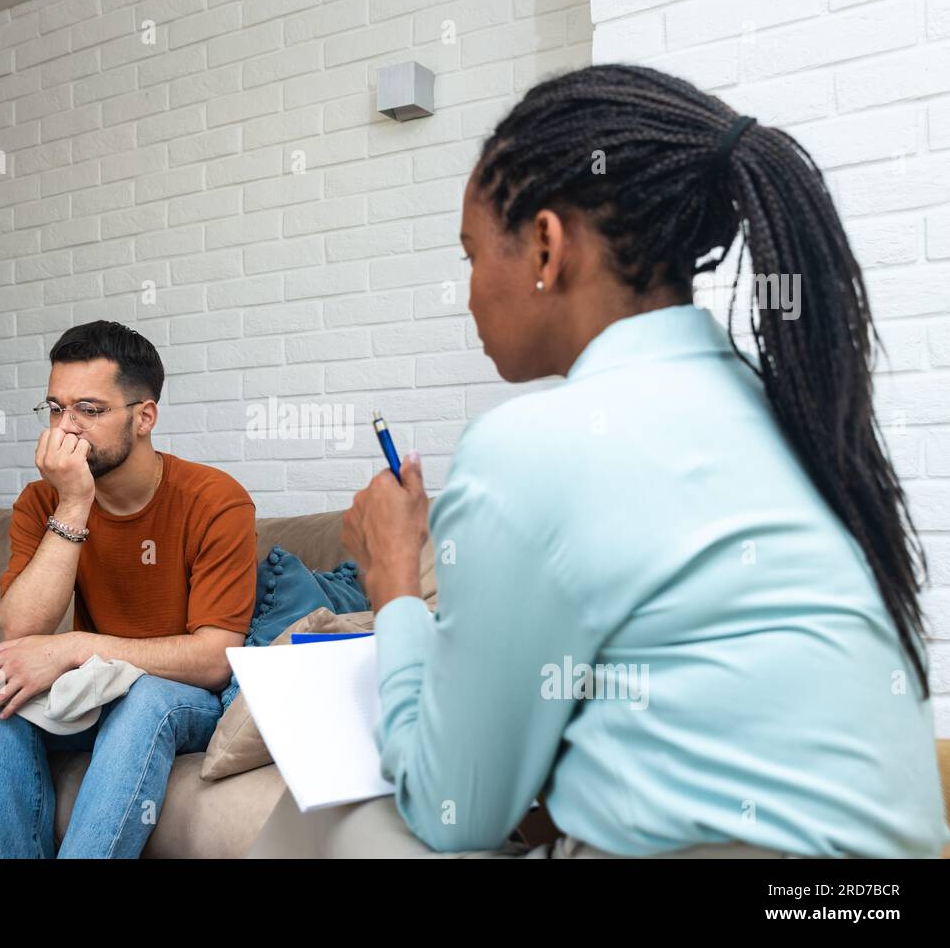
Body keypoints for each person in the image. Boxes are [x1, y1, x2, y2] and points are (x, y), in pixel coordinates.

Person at [251, 64, 950, 858]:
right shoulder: (789, 416)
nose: (472, 292)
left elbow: (452, 809)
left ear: (547, 246)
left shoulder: (530, 449)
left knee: (329, 818)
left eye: (471, 255)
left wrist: (396, 585)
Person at [0, 321, 257, 858]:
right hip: (94, 689)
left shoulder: (215, 499)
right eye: (55, 408)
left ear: (144, 417)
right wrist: (73, 505)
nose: (66, 430)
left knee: (146, 699)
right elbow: (22, 631)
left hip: (181, 694)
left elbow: (217, 658)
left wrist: (77, 647)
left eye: (89, 411)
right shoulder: (41, 501)